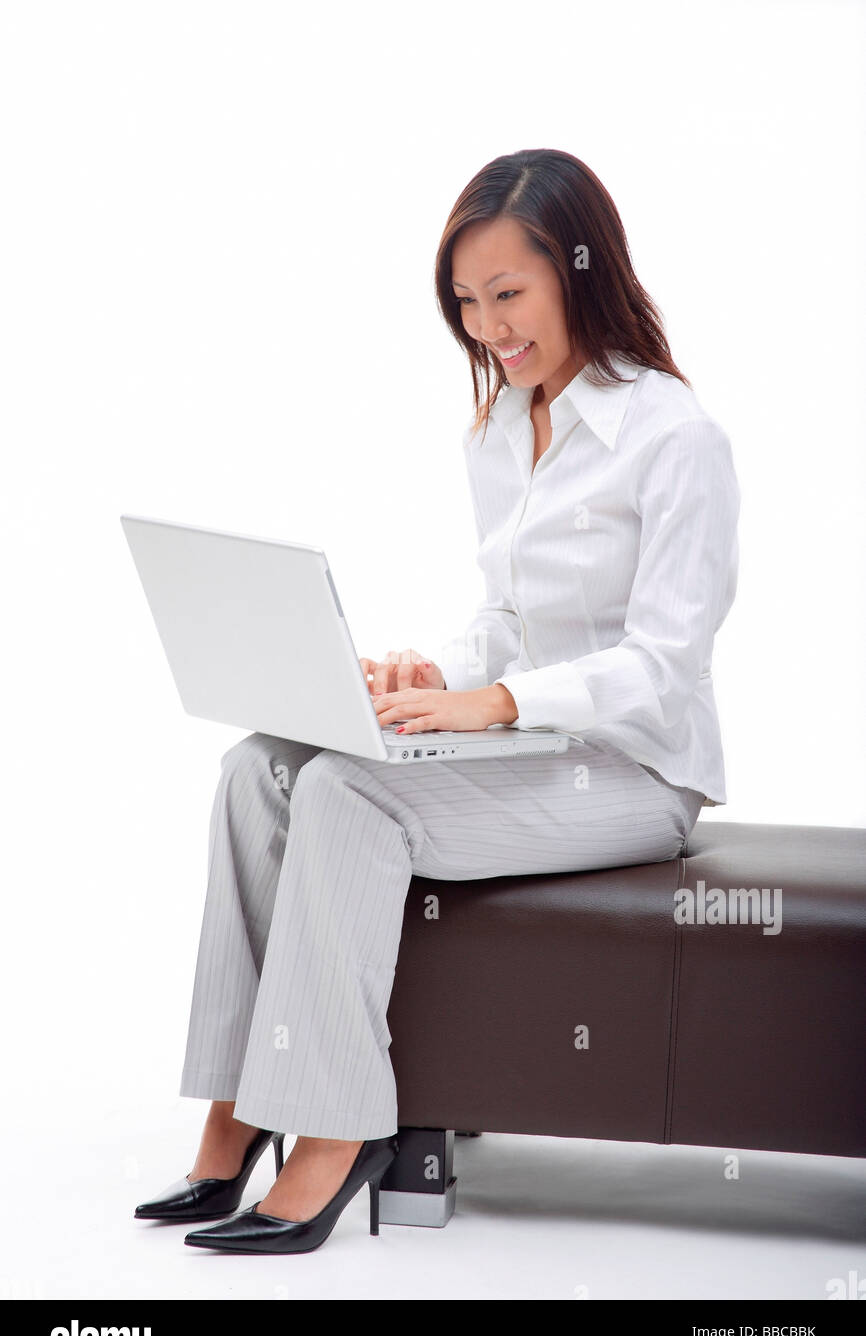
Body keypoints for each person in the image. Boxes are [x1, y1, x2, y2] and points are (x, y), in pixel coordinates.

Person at [134, 147, 740, 1255]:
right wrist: (439, 676)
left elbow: (663, 660)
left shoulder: (673, 436)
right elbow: (508, 616)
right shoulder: (502, 430)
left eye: (508, 294)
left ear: (577, 269)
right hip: (534, 741)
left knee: (349, 798)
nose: (488, 328)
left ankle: (334, 1123)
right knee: (258, 770)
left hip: (636, 771)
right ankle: (240, 1102)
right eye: (466, 303)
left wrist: (496, 704)